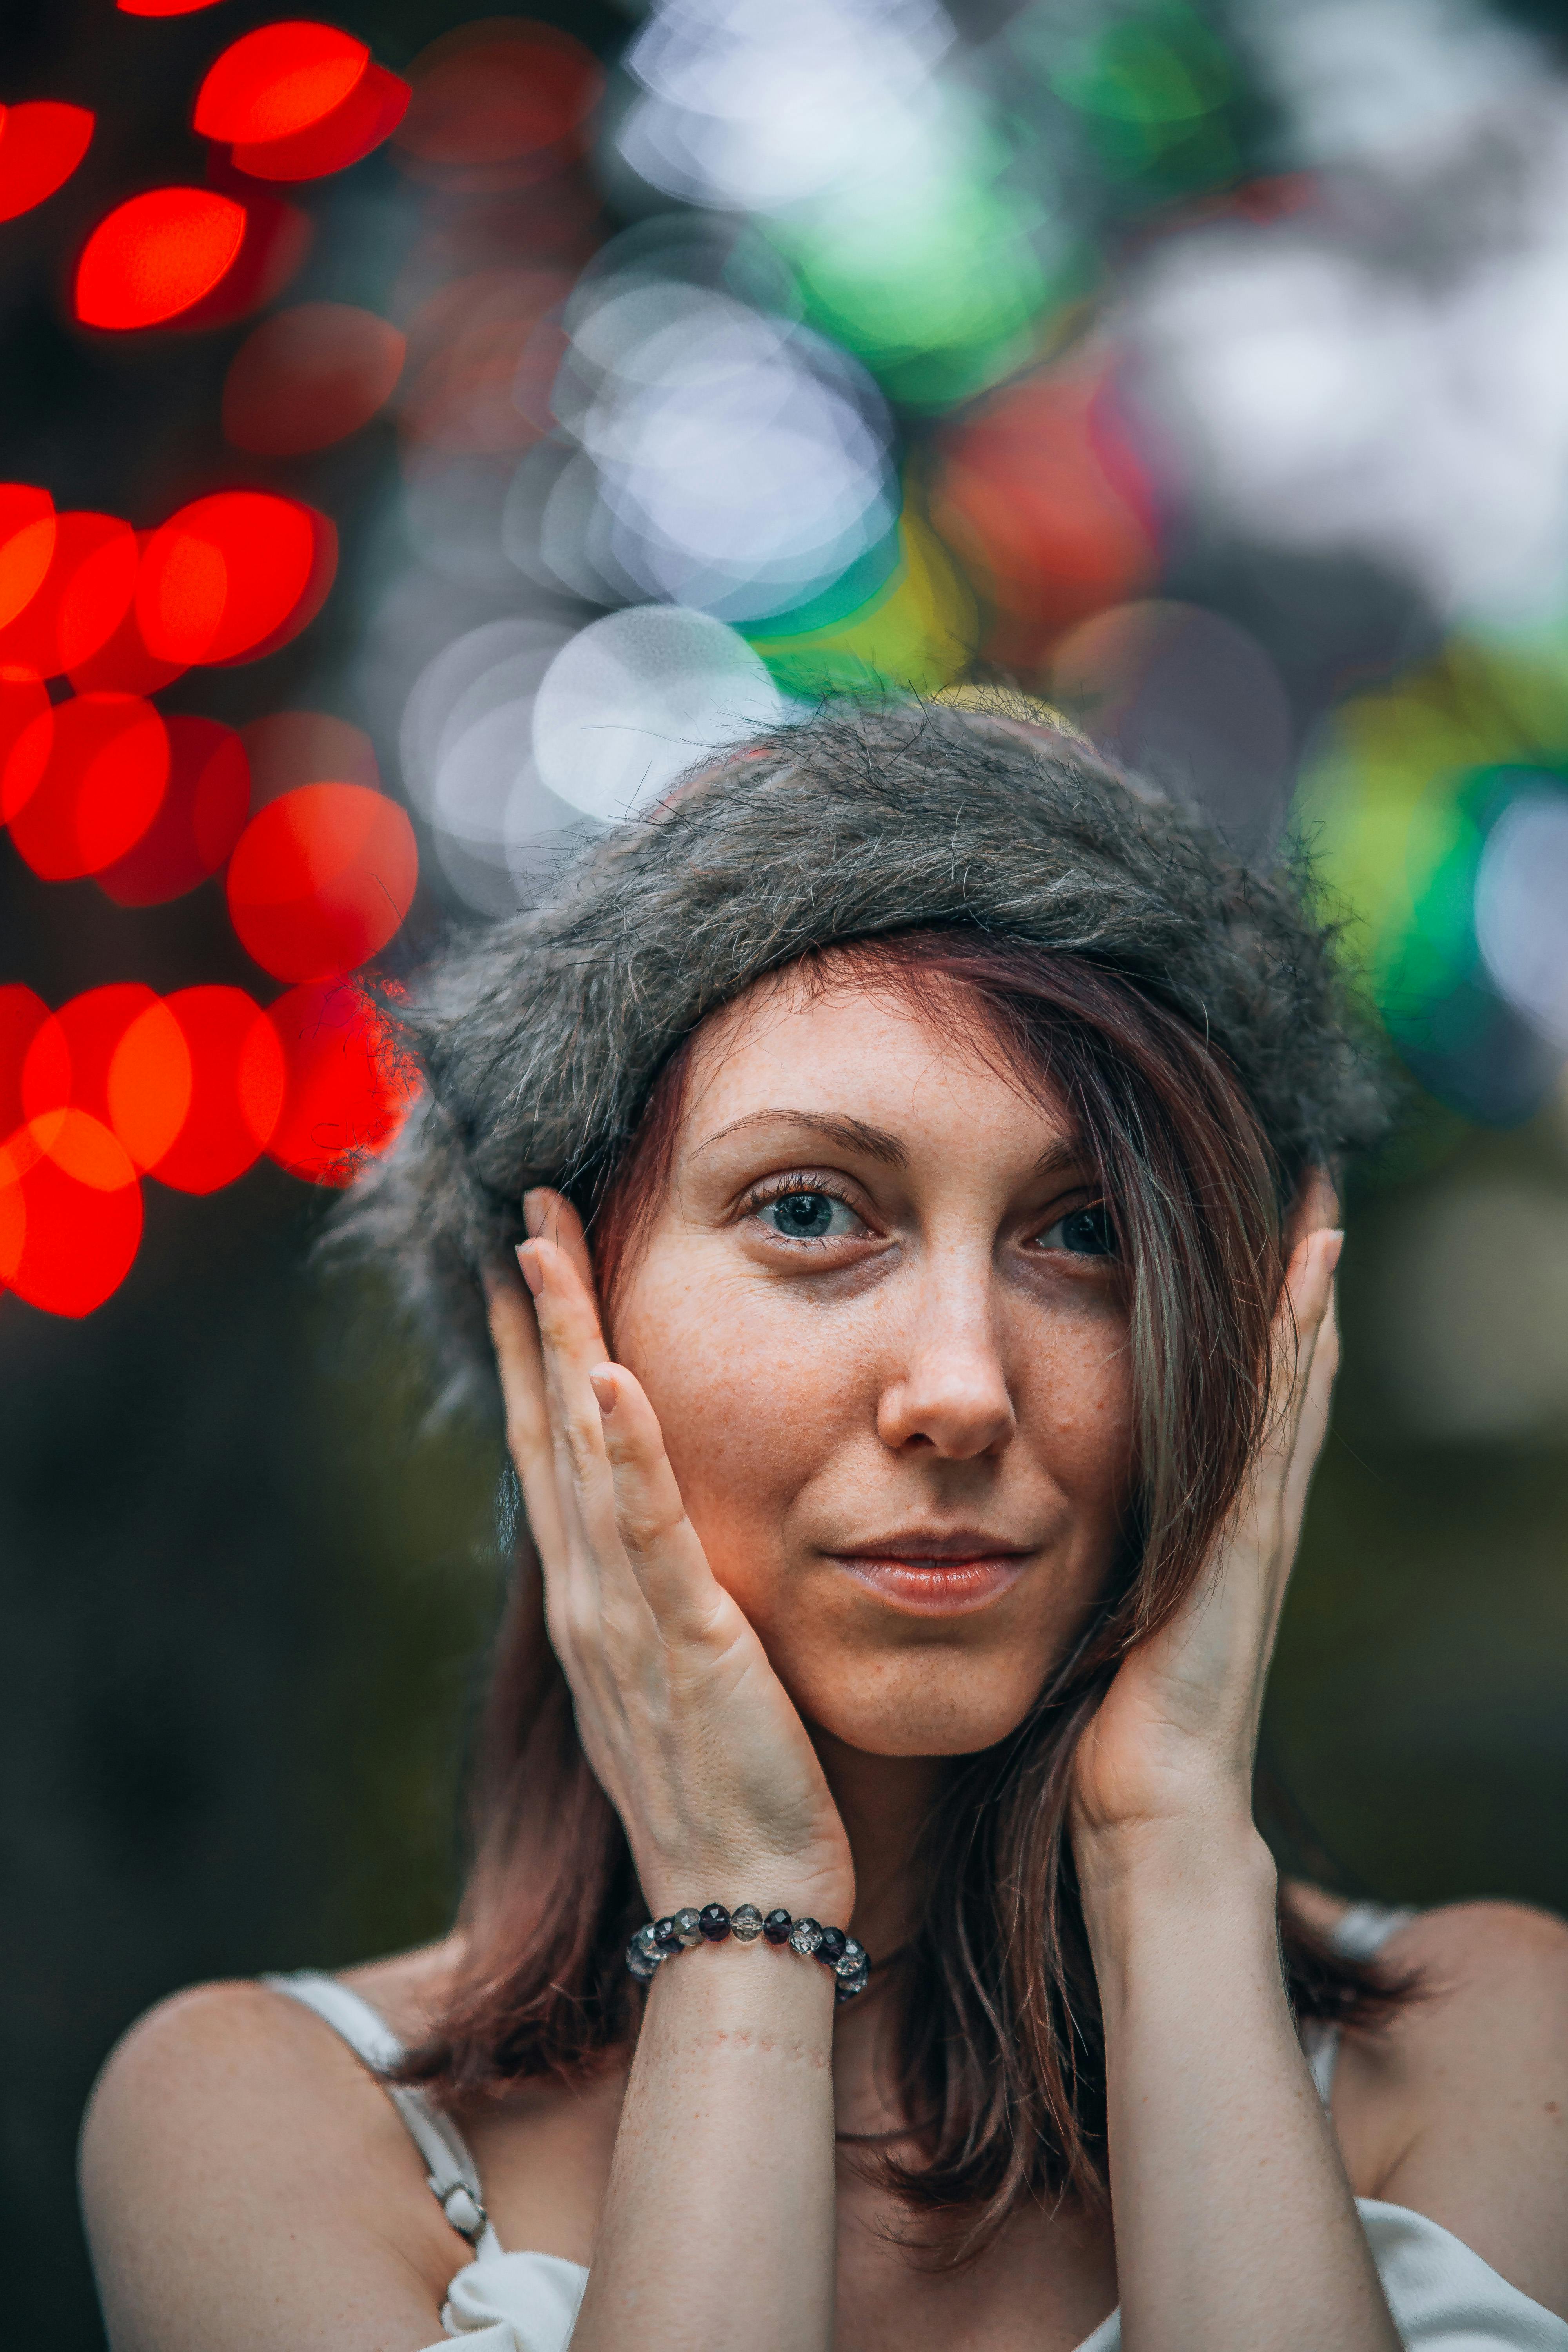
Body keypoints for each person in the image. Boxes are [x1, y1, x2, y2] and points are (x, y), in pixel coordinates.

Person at [81, 696, 1568, 2351]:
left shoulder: (1490, 2050)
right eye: (809, 1212)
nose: (963, 1389)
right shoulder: (273, 2129)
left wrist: (1171, 1862)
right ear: (559, 1330)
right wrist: (742, 1918)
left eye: (1085, 1233)